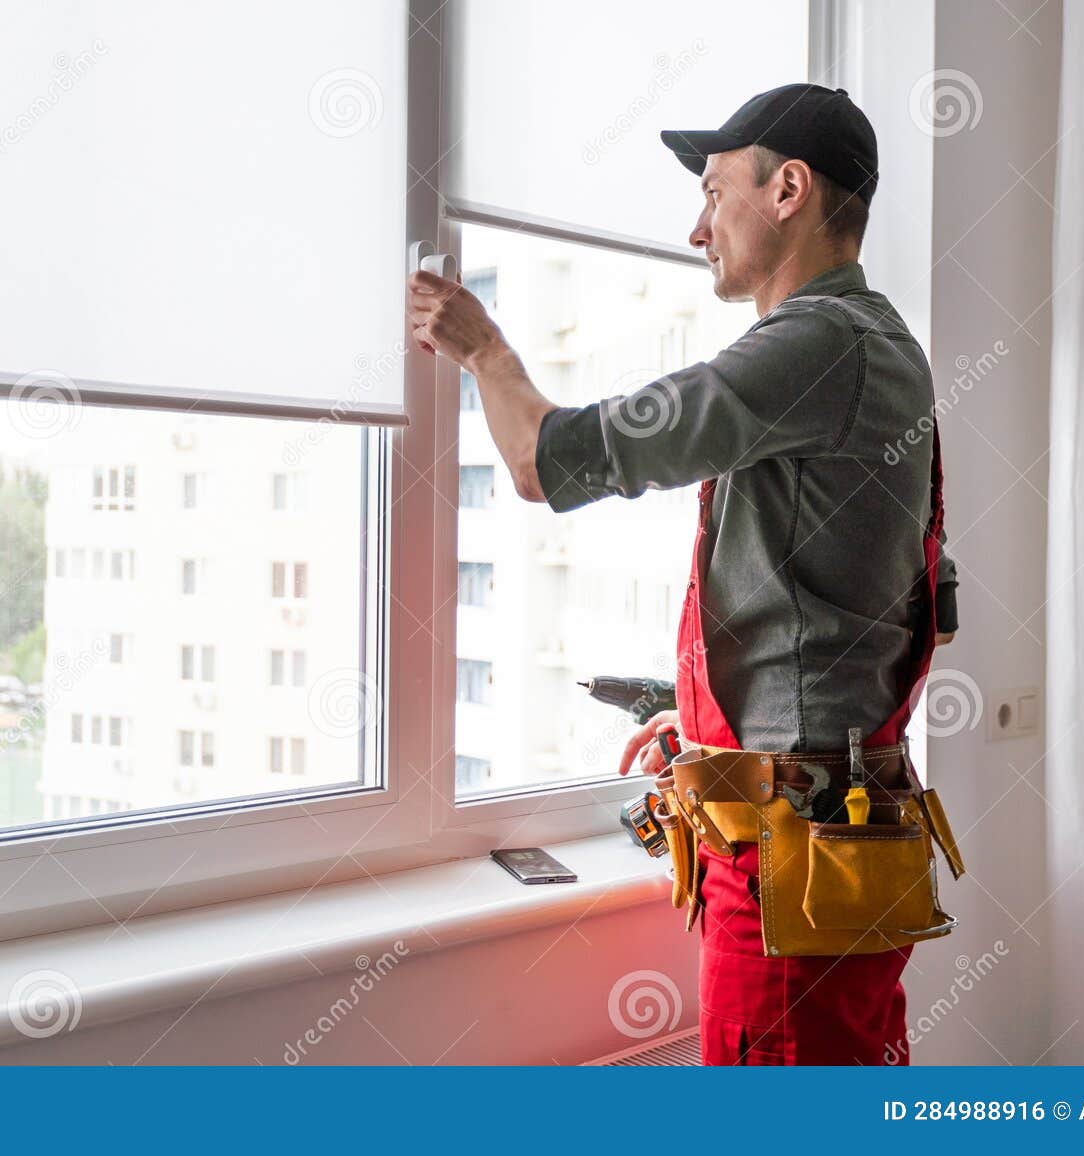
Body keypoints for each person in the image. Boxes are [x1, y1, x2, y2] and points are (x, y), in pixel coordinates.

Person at [406, 83, 958, 1065]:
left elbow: (543, 463)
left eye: (713, 193)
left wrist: (482, 350)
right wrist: (710, 719)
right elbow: (870, 598)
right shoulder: (879, 349)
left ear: (787, 189)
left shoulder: (818, 345)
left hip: (793, 859)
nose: (697, 227)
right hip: (835, 834)